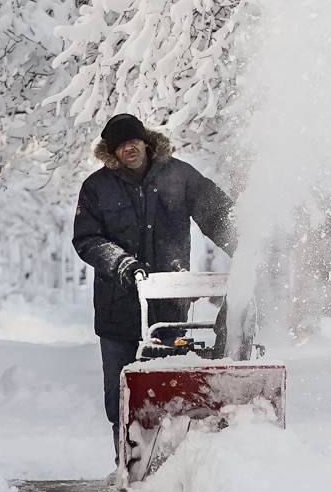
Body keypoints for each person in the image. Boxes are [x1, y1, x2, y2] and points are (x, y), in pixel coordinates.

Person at [72, 113, 235, 450]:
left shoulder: (179, 176)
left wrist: (246, 246)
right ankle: (127, 461)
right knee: (121, 393)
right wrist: (123, 265)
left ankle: (167, 460)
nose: (128, 148)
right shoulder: (97, 188)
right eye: (119, 146)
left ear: (145, 141)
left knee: (170, 388)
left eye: (132, 141)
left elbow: (218, 215)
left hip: (170, 311)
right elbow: (87, 239)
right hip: (117, 311)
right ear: (111, 152)